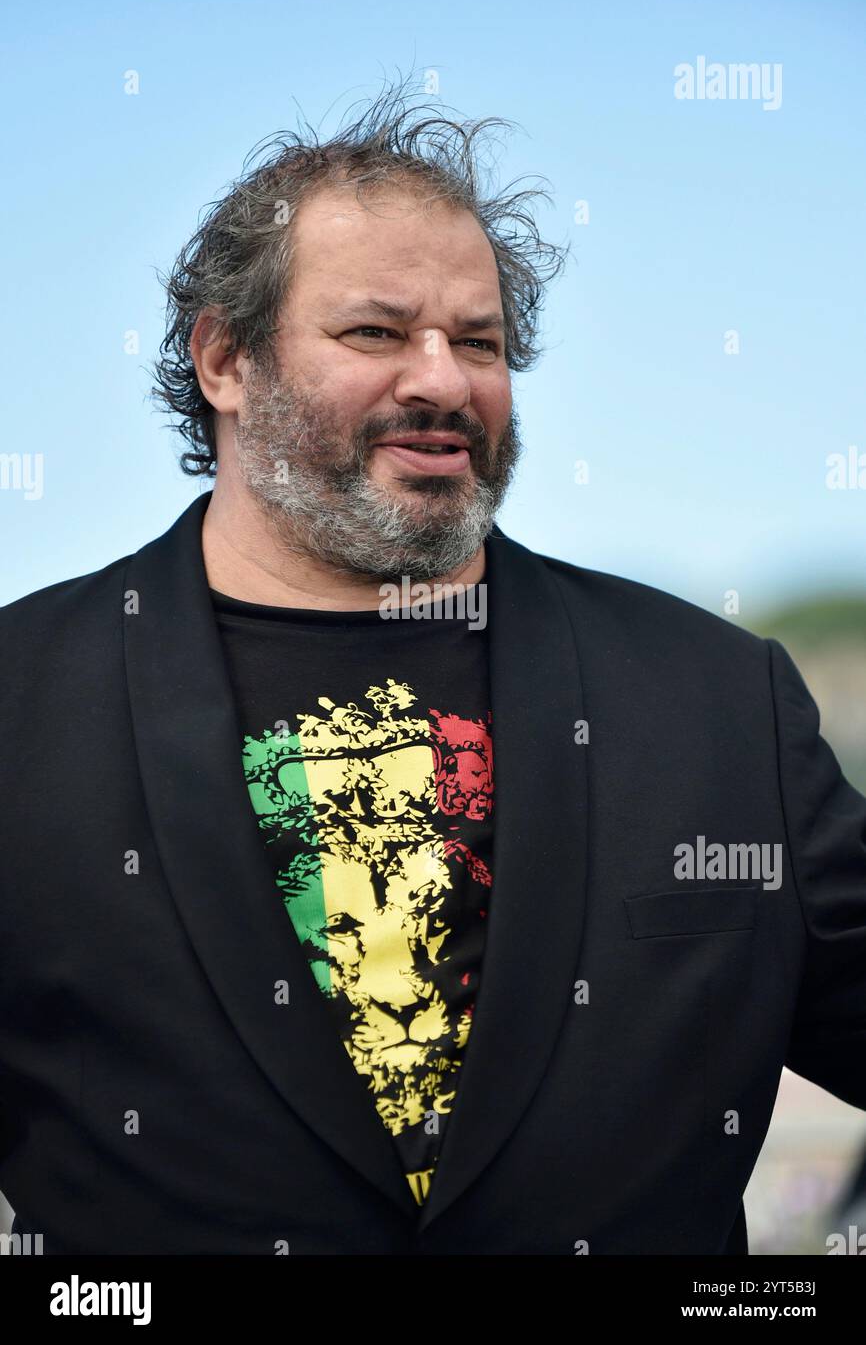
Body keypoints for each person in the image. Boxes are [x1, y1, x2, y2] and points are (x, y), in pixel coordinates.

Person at [1, 81, 864, 1256]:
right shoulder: (21, 701)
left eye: (479, 342)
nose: (443, 380)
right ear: (223, 360)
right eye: (374, 331)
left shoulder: (718, 702)